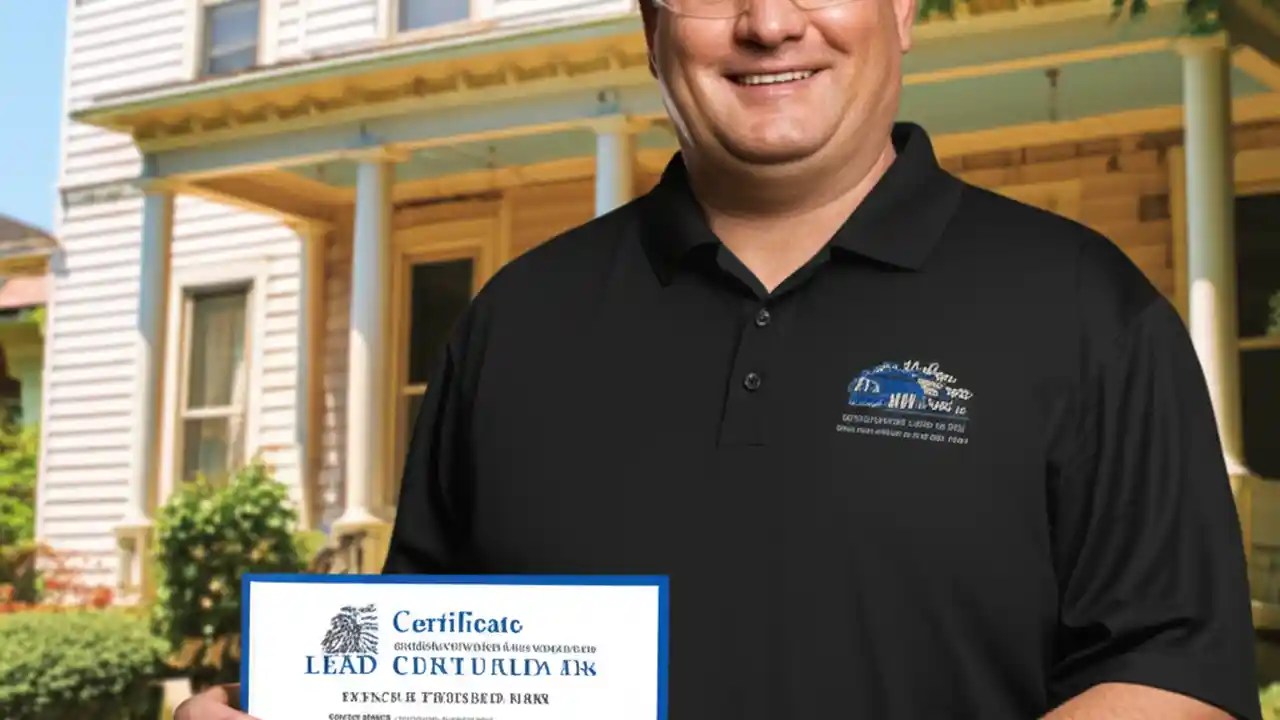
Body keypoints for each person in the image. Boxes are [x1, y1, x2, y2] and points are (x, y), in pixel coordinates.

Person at [177, 0, 1263, 717]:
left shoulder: (1081, 305)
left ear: (899, 10)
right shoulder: (514, 325)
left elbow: (1168, 671)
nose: (766, 22)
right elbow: (429, 675)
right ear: (652, 28)